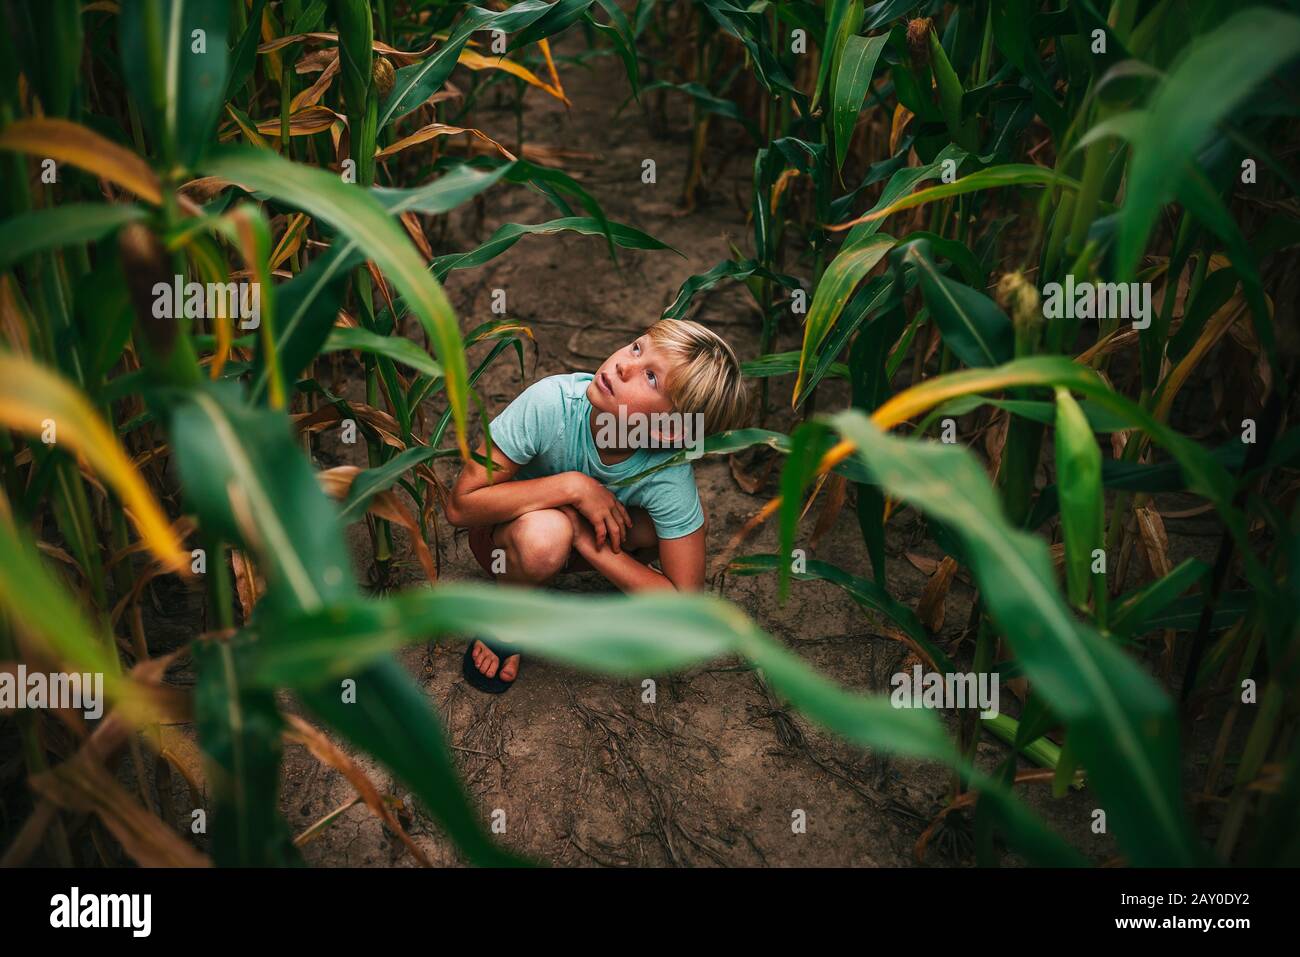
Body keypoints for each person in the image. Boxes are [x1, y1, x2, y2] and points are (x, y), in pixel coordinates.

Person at [443, 318, 751, 691]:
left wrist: (583, 536)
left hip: (582, 546)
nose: (624, 364)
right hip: (506, 542)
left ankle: (578, 563)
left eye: (651, 378)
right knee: (546, 534)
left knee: (674, 527)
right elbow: (461, 507)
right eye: (637, 347)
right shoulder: (551, 404)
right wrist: (572, 488)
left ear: (670, 431)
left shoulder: (669, 471)